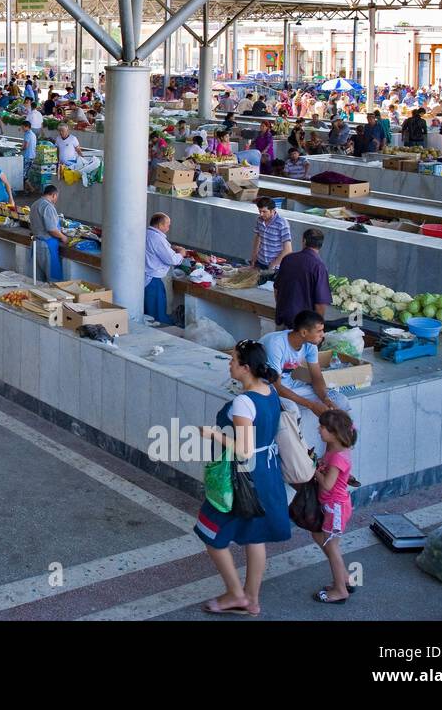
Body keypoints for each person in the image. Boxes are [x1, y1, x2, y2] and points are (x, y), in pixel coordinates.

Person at [194, 339, 292, 615]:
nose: (229, 364)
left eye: (233, 360)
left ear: (246, 368)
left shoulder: (243, 402)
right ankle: (252, 599)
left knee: (209, 532)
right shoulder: (269, 390)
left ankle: (236, 594)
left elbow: (245, 448)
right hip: (268, 471)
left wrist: (213, 434)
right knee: (254, 536)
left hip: (244, 477)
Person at [261, 311, 352, 454]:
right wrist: (311, 405)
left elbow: (317, 377)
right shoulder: (276, 344)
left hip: (289, 385)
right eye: (319, 331)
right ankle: (298, 456)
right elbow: (277, 387)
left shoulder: (310, 345)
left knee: (341, 401)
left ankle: (334, 456)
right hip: (266, 388)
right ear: (304, 332)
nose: (323, 334)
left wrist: (325, 399)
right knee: (292, 409)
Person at [310, 410, 358, 604]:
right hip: (331, 506)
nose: (319, 429)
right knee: (318, 536)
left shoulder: (338, 456)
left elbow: (328, 484)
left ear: (334, 432)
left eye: (322, 427)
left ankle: (340, 591)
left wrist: (312, 469)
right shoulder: (333, 448)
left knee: (332, 548)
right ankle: (344, 578)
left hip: (335, 508)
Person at [273, 228, 331, 327]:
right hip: (304, 326)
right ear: (321, 245)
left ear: (304, 241)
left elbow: (276, 289)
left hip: (284, 318)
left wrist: (283, 307)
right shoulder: (319, 267)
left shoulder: (288, 259)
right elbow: (321, 303)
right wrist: (317, 326)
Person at [144, 213, 187, 325]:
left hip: (147, 276)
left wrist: (169, 247)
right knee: (157, 313)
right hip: (154, 279)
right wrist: (181, 254)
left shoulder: (147, 233)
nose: (168, 228)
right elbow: (172, 260)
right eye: (167, 225)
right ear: (159, 225)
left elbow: (156, 250)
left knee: (149, 310)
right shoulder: (157, 238)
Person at [29, 184, 69, 281]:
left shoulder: (35, 204)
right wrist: (63, 237)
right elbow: (51, 229)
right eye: (57, 197)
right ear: (54, 195)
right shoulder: (48, 206)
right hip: (46, 246)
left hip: (36, 244)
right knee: (52, 279)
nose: (56, 199)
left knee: (38, 280)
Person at [251, 195, 293, 270]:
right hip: (260, 262)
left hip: (276, 266)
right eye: (260, 211)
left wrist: (274, 264)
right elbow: (258, 237)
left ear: (273, 210)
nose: (261, 214)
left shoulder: (282, 223)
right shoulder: (259, 220)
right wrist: (254, 256)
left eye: (264, 211)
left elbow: (288, 249)